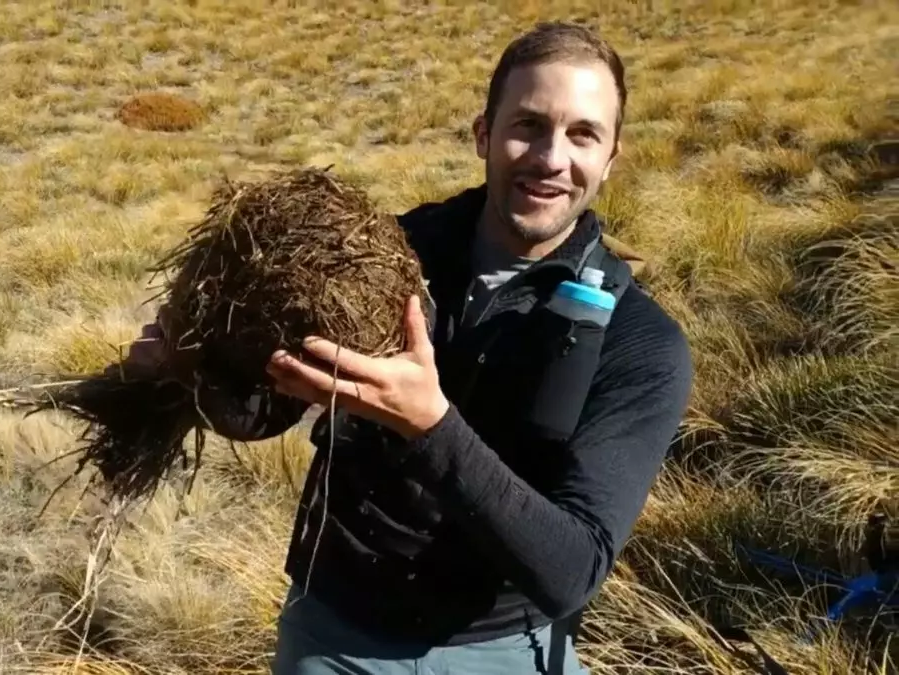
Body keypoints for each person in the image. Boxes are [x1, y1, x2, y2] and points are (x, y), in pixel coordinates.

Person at [122, 21, 693, 675]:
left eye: (582, 134)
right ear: (484, 133)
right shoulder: (383, 253)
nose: (551, 158)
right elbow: (269, 408)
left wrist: (429, 424)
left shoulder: (640, 342)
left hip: (507, 648)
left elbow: (571, 570)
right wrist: (186, 374)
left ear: (611, 156)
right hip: (335, 633)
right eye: (528, 125)